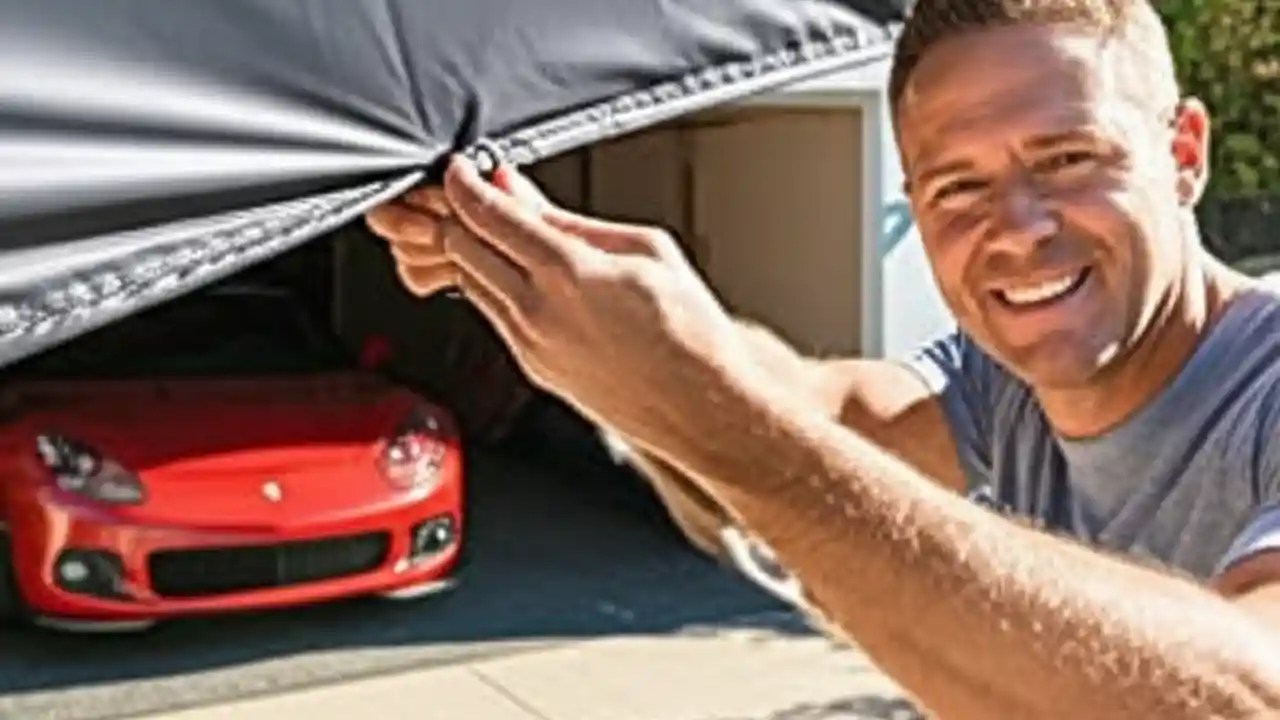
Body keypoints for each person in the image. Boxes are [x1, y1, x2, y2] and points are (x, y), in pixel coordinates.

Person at [365, 0, 1280, 715]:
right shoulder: (998, 392)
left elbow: (1246, 698)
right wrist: (549, 284)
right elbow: (827, 410)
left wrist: (714, 419)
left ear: (1183, 153)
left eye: (1070, 157)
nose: (1018, 227)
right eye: (959, 186)